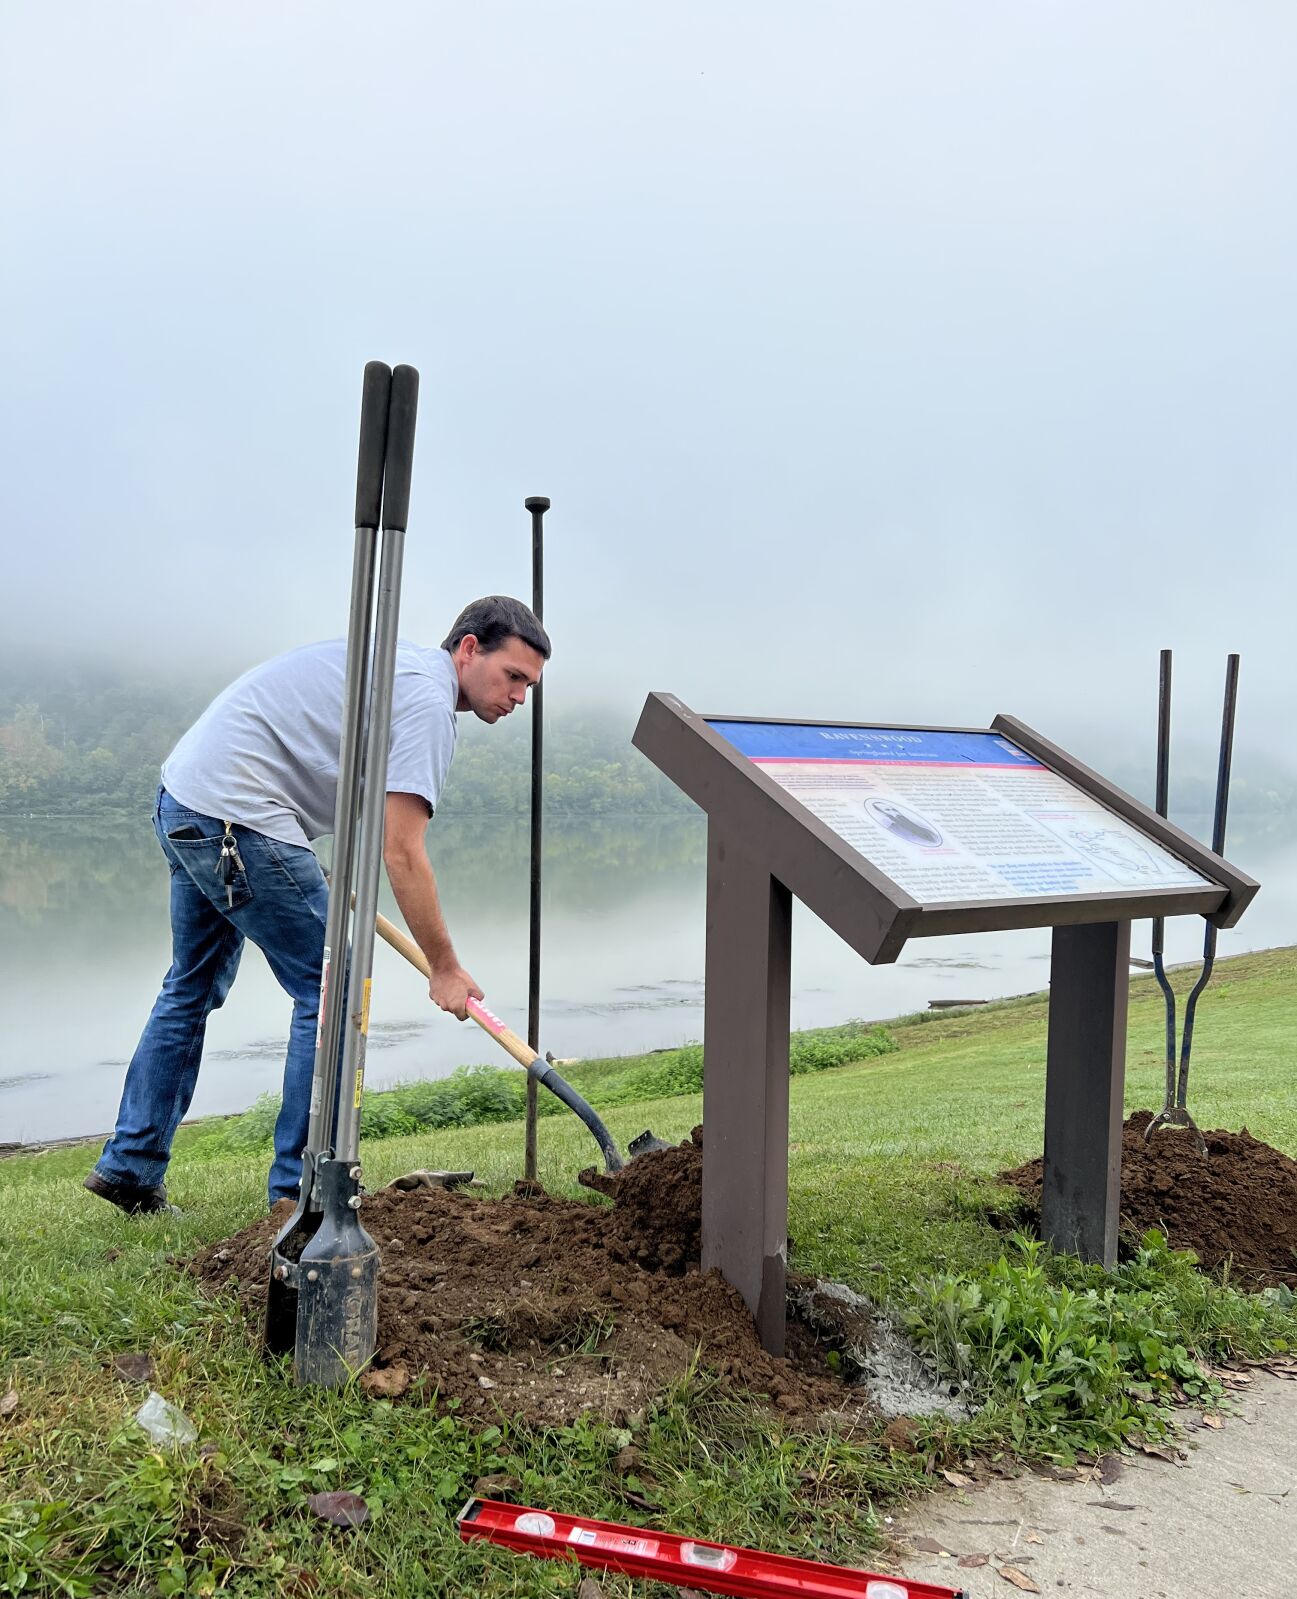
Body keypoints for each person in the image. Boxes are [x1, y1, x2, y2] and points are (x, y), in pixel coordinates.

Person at [84, 596, 549, 1215]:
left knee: (190, 986)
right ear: (469, 649)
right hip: (237, 814)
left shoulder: (401, 675)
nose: (518, 696)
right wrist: (444, 965)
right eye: (512, 675)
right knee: (332, 986)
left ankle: (129, 1170)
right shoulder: (427, 703)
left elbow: (368, 815)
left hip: (187, 799)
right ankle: (299, 1194)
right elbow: (403, 852)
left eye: (530, 686)